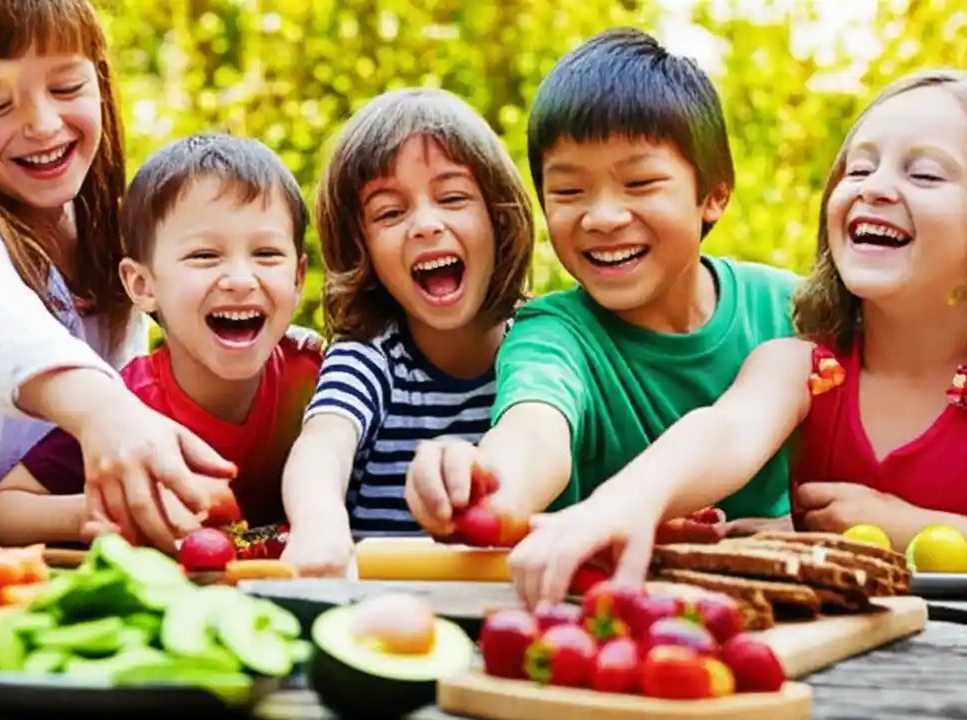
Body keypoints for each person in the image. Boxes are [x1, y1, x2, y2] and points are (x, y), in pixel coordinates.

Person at [509, 70, 967, 596]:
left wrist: (900, 524)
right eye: (859, 168)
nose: (874, 187)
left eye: (925, 174)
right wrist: (619, 505)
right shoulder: (800, 367)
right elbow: (726, 429)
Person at [401, 28, 804, 608]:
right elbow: (534, 431)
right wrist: (484, 483)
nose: (603, 217)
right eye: (569, 191)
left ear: (713, 193)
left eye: (640, 183)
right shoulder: (553, 335)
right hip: (607, 626)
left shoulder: (794, 312)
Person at [0, 0, 236, 549]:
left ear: (100, 84)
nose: (42, 124)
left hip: (63, 564)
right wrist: (106, 413)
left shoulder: (108, 234)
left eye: (66, 88)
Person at [0, 134, 321, 547]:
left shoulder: (316, 376)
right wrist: (115, 509)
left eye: (266, 254)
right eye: (204, 256)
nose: (240, 280)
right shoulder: (128, 409)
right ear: (142, 285)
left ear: (297, 279)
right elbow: (0, 513)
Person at [280, 88, 535, 576]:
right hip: (380, 603)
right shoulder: (369, 356)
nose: (425, 225)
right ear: (363, 250)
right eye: (390, 213)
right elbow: (323, 444)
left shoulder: (539, 343)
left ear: (498, 218)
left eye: (453, 198)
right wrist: (317, 521)